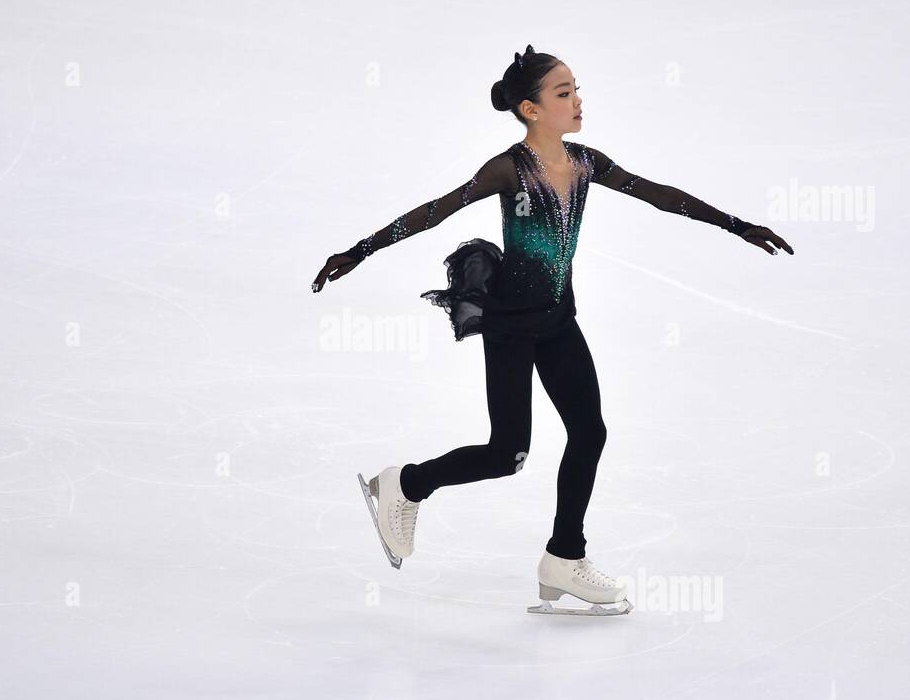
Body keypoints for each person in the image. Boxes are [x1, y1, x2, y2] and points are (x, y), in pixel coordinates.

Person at [312, 44, 794, 610]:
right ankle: (407, 483)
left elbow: (661, 196)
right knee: (506, 455)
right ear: (531, 109)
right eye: (563, 93)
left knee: (589, 432)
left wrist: (737, 225)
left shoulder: (588, 163)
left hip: (559, 321)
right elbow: (435, 210)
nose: (577, 101)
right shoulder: (507, 170)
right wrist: (359, 251)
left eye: (576, 89)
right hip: (511, 326)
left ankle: (565, 557)